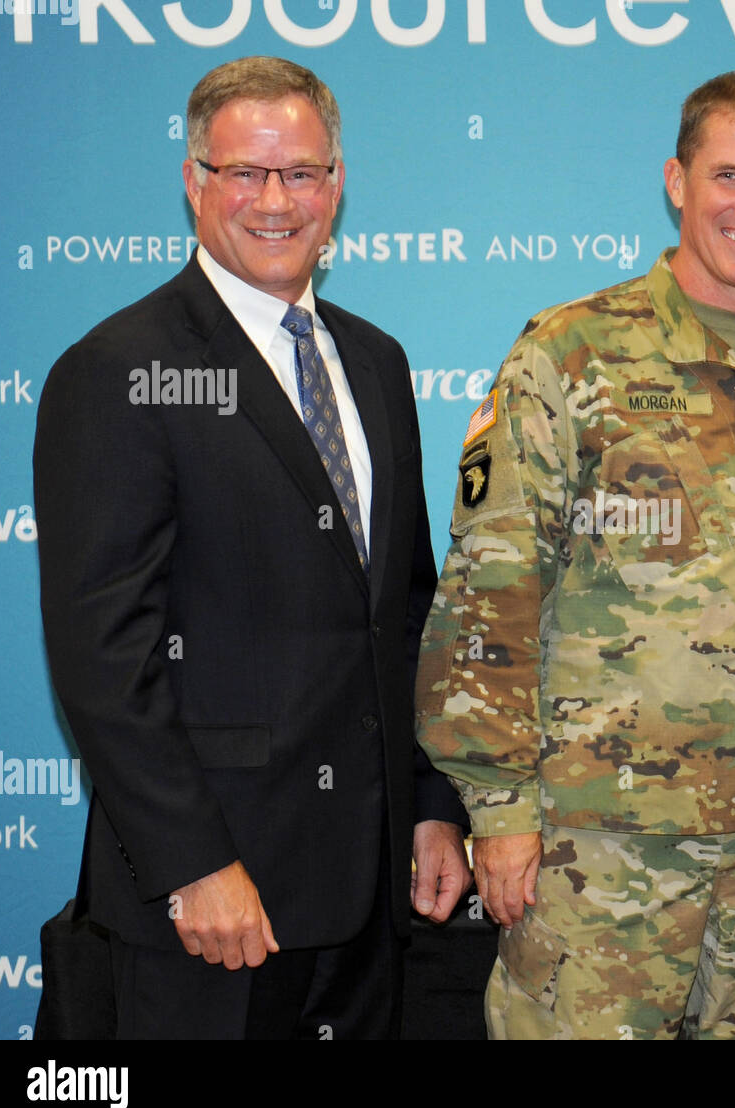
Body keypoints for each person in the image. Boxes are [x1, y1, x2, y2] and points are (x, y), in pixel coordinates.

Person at [416, 70, 735, 1040]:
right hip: (602, 849)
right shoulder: (569, 354)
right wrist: (500, 810)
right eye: (728, 175)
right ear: (675, 181)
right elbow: (489, 591)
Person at [34, 56, 469, 1040]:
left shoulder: (375, 360)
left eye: (302, 173)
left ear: (337, 183)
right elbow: (105, 659)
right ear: (194, 182)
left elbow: (406, 611)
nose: (276, 200)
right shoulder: (120, 369)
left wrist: (434, 803)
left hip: (369, 901)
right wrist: (193, 863)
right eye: (244, 172)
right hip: (213, 912)